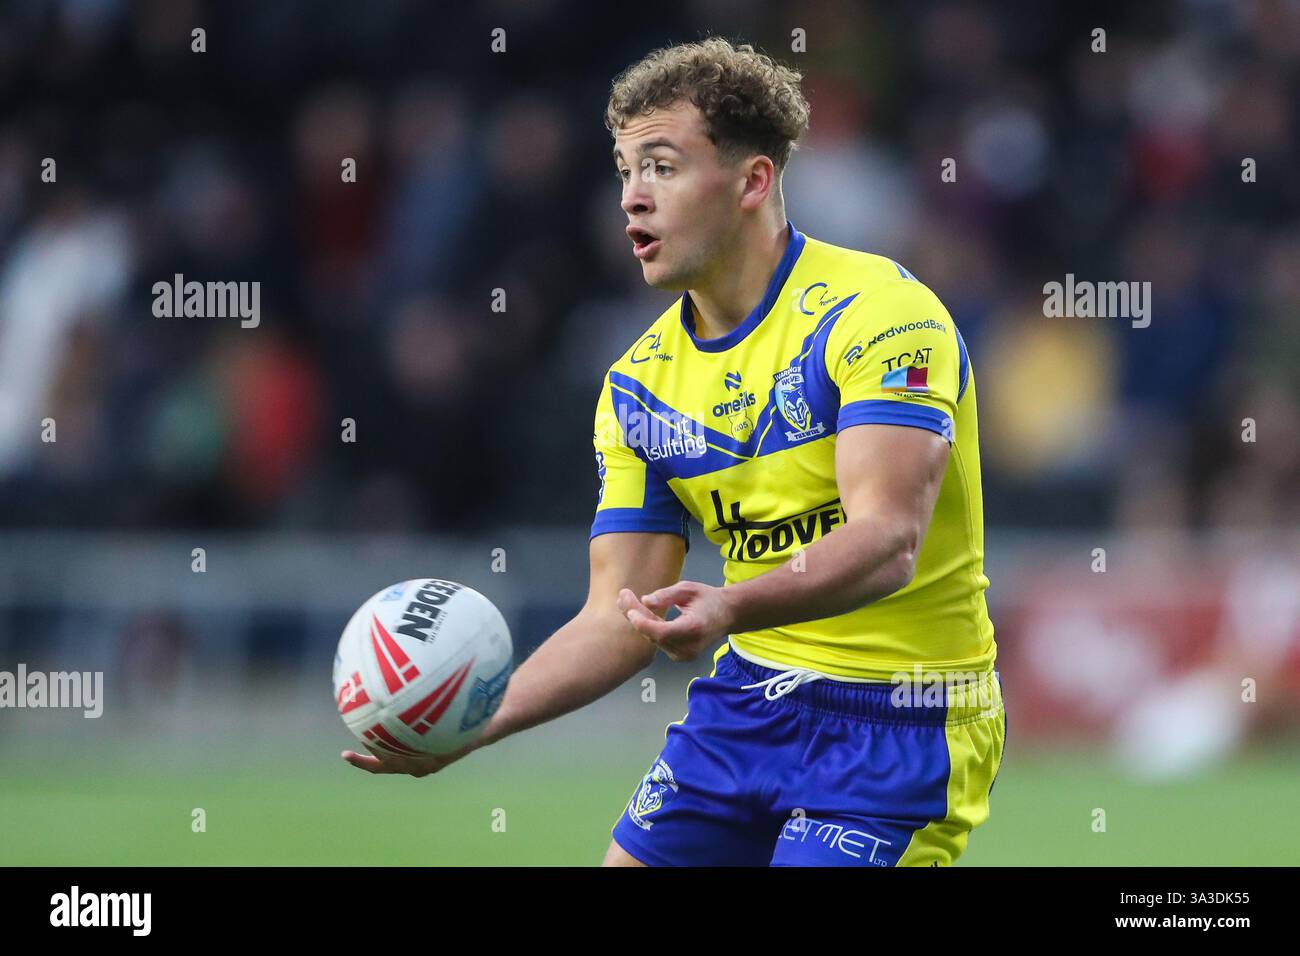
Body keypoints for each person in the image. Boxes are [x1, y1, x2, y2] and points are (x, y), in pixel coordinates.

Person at [344, 37, 1005, 868]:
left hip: (901, 722)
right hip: (748, 707)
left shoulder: (882, 316)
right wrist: (481, 721)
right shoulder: (638, 386)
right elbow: (618, 615)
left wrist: (729, 608)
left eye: (661, 166)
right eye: (624, 171)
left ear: (752, 181)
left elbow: (888, 543)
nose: (632, 200)